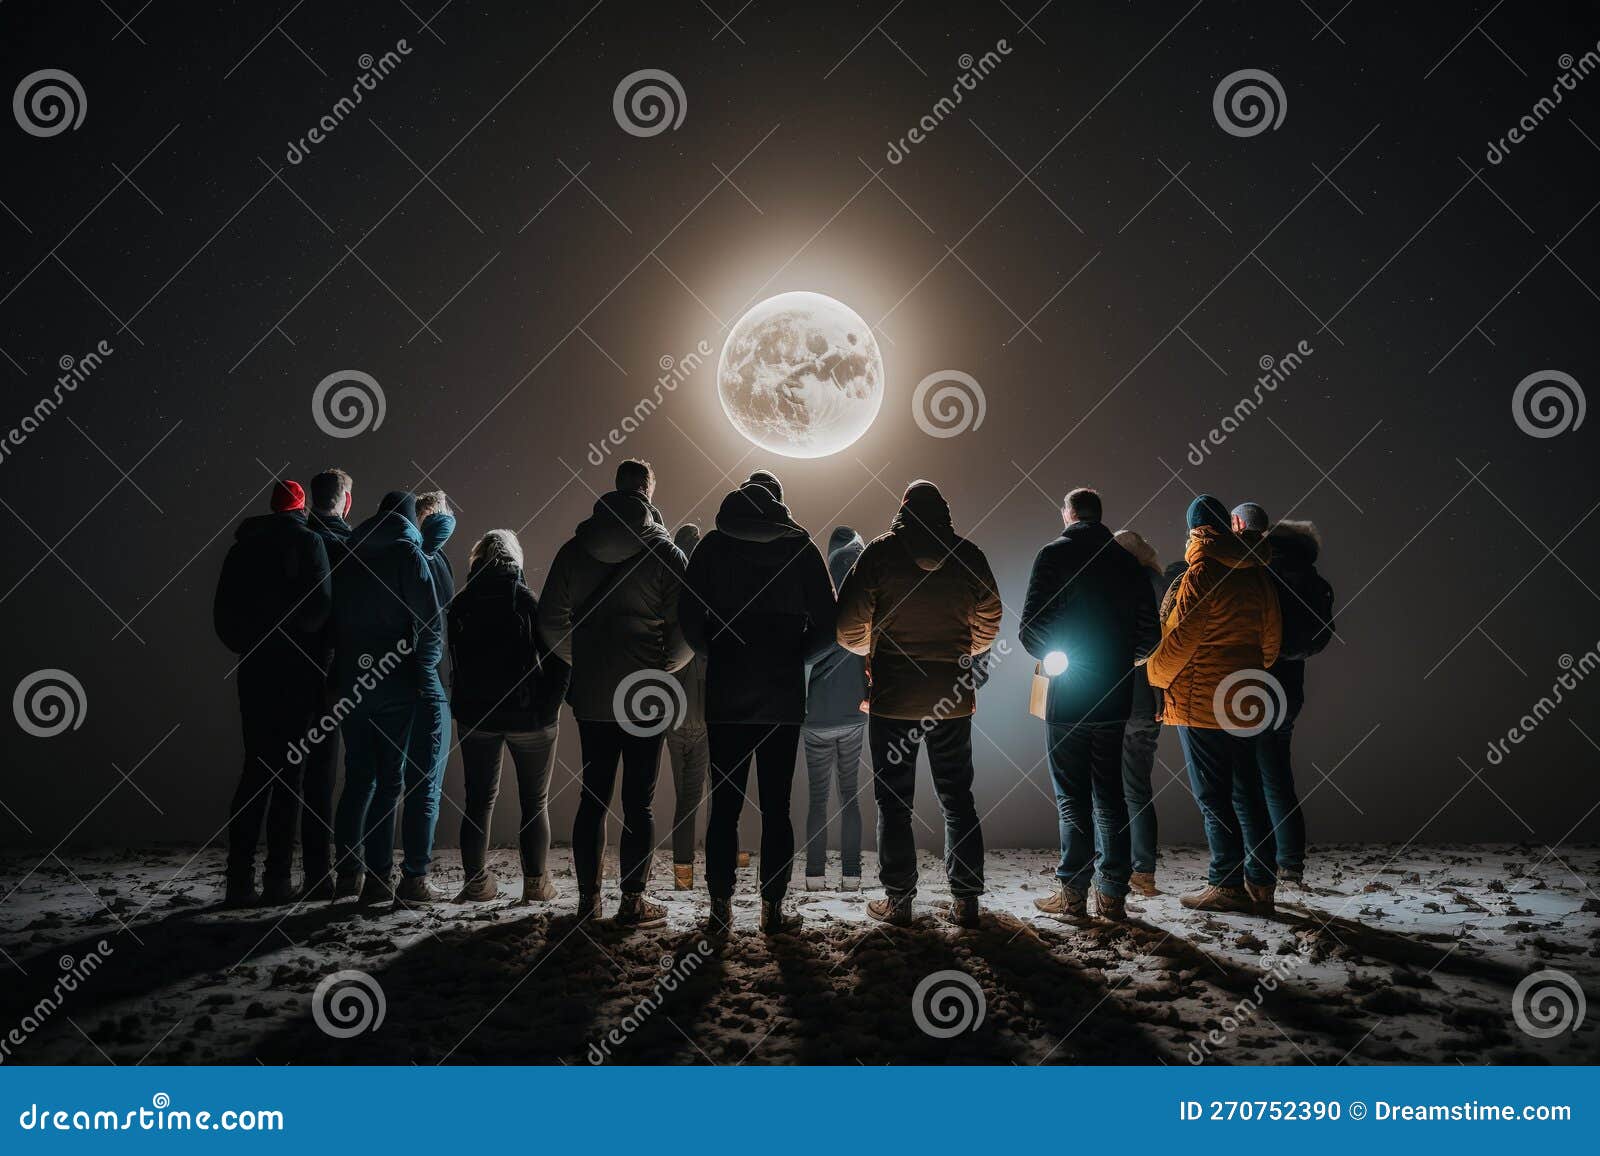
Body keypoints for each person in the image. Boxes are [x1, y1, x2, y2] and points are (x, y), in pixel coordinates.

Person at [836, 480, 1002, 929]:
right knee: (957, 798)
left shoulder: (878, 554)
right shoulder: (969, 555)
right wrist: (964, 646)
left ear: (903, 510)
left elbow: (847, 626)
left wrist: (876, 646)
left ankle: (899, 900)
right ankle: (966, 901)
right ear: (943, 511)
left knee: (893, 802)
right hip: (952, 699)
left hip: (893, 699)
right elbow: (992, 616)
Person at [680, 471, 837, 936]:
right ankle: (772, 909)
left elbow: (687, 615)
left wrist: (719, 651)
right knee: (777, 805)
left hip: (727, 692)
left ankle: (720, 909)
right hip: (782, 694)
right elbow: (829, 624)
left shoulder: (711, 546)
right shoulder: (800, 548)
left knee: (723, 804)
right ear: (780, 503)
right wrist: (795, 656)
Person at [539, 483, 691, 928]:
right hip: (646, 693)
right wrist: (662, 668)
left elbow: (549, 620)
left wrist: (580, 659)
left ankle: (588, 902)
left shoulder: (574, 550)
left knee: (593, 796)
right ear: (649, 493)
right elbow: (687, 630)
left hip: (591, 693)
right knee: (638, 803)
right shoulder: (666, 554)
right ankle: (632, 903)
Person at [1020, 488, 1158, 923]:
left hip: (1068, 695)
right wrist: (1121, 658)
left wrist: (1059, 655)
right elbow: (1149, 636)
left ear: (1068, 514)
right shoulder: (1127, 563)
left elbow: (1029, 630)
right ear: (1100, 516)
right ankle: (1113, 895)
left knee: (1072, 797)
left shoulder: (1053, 554)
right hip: (1115, 693)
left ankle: (1073, 894)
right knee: (1110, 793)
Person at [1146, 495, 1282, 913]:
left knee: (1213, 796)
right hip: (1245, 696)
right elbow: (1271, 642)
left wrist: (1154, 675)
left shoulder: (1202, 572)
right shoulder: (1259, 574)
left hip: (1201, 699)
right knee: (1249, 791)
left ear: (1195, 530)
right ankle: (1262, 881)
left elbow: (1181, 638)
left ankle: (1225, 883)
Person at [213, 480, 332, 907]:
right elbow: (321, 608)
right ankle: (278, 877)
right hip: (299, 671)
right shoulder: (311, 542)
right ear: (301, 507)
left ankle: (238, 879)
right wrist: (297, 635)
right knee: (291, 775)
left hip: (255, 670)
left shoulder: (242, 548)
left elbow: (223, 619)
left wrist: (254, 641)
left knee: (255, 770)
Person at [331, 491, 440, 905]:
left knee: (358, 777)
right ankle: (378, 878)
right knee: (390, 782)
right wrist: (422, 670)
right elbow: (430, 624)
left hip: (350, 682)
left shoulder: (347, 554)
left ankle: (347, 873)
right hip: (395, 682)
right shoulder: (407, 554)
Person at [450, 528, 570, 903]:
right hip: (528, 715)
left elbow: (456, 663)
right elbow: (559, 659)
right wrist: (548, 705)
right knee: (535, 802)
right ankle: (536, 884)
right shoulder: (524, 599)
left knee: (477, 800)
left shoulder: (461, 603)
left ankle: (476, 883)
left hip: (478, 717)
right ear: (514, 558)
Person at [1233, 504, 1336, 887]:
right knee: (1278, 777)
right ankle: (1290, 863)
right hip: (1289, 690)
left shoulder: (1262, 571)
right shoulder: (1312, 578)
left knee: (1247, 782)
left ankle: (1256, 865)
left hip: (1253, 687)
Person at [389, 490, 456, 904]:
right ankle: (414, 877)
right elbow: (437, 617)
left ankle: (367, 872)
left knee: (380, 780)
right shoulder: (426, 553)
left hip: (389, 679)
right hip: (423, 682)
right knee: (423, 783)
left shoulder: (392, 554)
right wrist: (429, 667)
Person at [801, 526, 868, 892]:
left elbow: (803, 655)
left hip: (817, 716)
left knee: (817, 799)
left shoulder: (820, 601)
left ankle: (814, 876)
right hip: (854, 712)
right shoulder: (866, 603)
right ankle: (852, 875)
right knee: (850, 797)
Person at [301, 468, 354, 900]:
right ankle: (321, 875)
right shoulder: (350, 546)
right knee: (325, 773)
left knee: (273, 773)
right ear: (346, 501)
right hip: (334, 671)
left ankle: (270, 874)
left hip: (279, 668)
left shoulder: (295, 540)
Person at [1113, 528, 1168, 896]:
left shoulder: (1124, 587)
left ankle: (1118, 868)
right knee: (1137, 788)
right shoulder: (1163, 587)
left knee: (1112, 789)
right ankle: (1143, 871)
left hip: (1122, 700)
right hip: (1152, 700)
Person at [663, 523, 710, 891]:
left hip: (672, 716)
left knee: (686, 799)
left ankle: (684, 873)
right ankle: (703, 867)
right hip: (707, 716)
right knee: (714, 792)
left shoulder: (667, 597)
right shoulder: (710, 599)